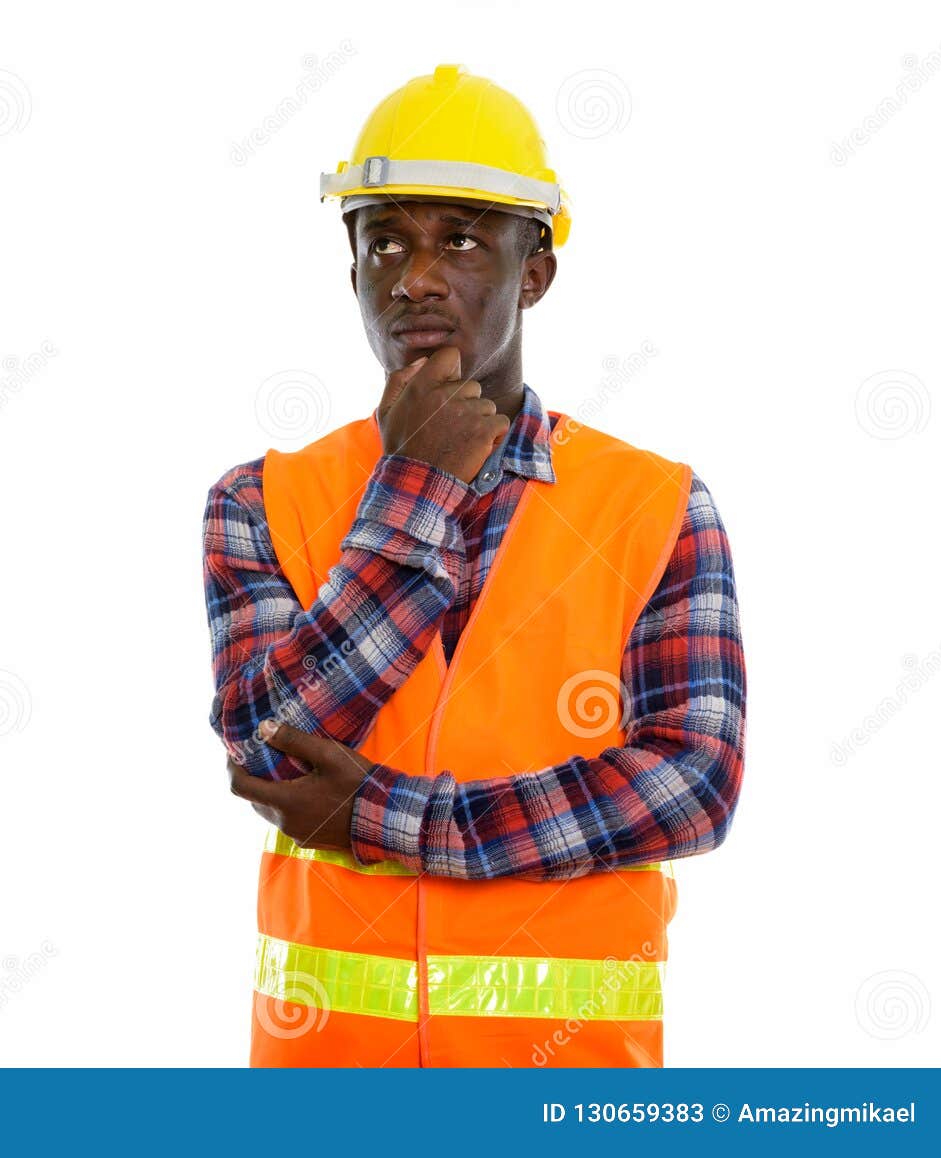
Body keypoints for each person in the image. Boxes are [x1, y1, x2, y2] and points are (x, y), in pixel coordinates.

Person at [201, 64, 746, 1067]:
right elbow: (270, 752)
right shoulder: (257, 499)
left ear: (531, 271)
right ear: (353, 269)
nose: (416, 277)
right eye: (386, 243)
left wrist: (383, 818)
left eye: (459, 240)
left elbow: (690, 785)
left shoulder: (655, 505)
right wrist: (411, 490)